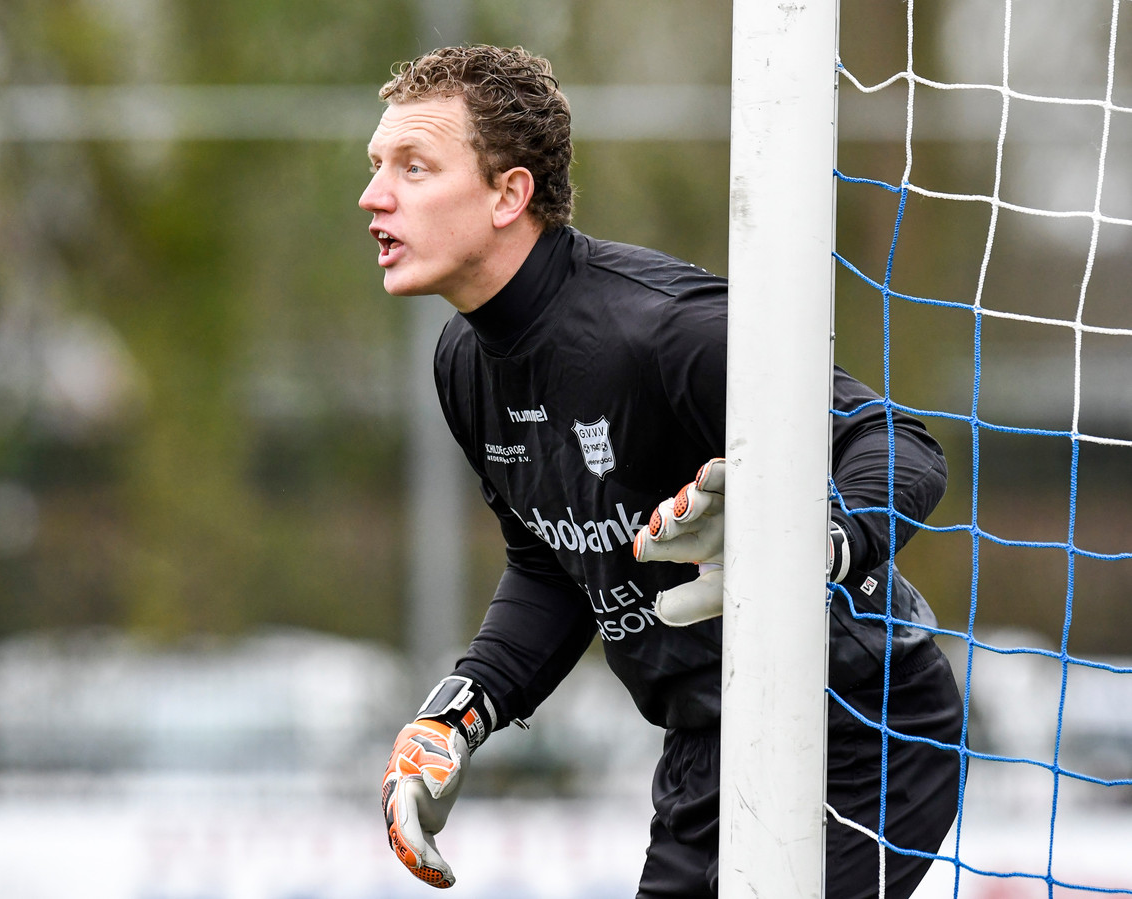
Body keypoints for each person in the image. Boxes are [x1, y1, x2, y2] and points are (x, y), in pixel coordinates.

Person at [361, 44, 964, 899]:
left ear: (508, 194)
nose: (374, 195)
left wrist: (806, 545)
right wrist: (459, 710)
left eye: (413, 167)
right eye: (377, 165)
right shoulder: (461, 362)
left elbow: (896, 441)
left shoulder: (659, 327)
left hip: (863, 726)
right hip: (707, 745)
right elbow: (553, 567)